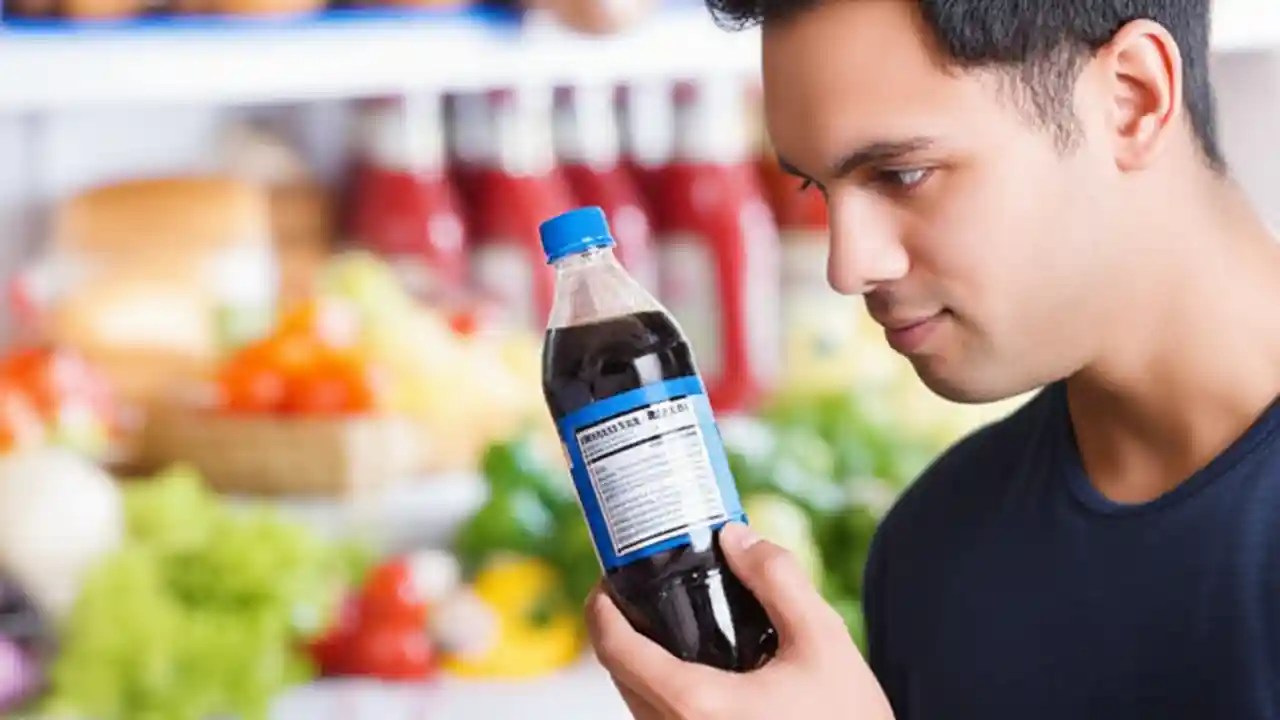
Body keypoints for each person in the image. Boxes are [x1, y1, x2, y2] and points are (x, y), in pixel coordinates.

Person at [584, 0, 1280, 717]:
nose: (848, 266)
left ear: (1131, 99)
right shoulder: (940, 547)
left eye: (903, 174)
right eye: (817, 188)